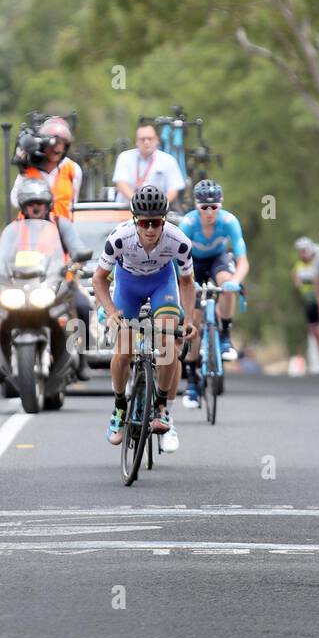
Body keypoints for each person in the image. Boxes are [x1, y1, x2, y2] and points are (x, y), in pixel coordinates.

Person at [92, 184, 195, 453]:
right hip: (128, 286)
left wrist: (190, 319)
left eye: (156, 223)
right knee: (124, 350)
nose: (150, 229)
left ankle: (162, 408)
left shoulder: (179, 241)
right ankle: (119, 408)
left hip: (162, 284)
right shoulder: (118, 238)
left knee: (168, 341)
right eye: (145, 223)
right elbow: (99, 279)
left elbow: (187, 282)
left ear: (164, 220)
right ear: (136, 220)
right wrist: (112, 311)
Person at [0, 175, 89, 382]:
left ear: (48, 203)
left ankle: (82, 359)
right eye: (31, 203)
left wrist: (78, 259)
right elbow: (1, 256)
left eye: (39, 202)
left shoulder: (61, 225)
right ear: (23, 205)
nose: (36, 206)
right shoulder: (13, 229)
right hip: (18, 285)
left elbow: (77, 248)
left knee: (83, 307)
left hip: (57, 283)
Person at [178, 179, 248, 405]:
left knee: (227, 284)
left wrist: (236, 281)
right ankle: (190, 380)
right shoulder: (187, 223)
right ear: (196, 206)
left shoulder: (229, 221)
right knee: (194, 323)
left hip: (218, 259)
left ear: (221, 205)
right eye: (204, 207)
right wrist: (188, 284)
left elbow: (242, 261)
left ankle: (226, 335)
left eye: (214, 207)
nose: (209, 212)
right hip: (192, 264)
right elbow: (175, 261)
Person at [11, 117, 83, 220]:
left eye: (61, 143)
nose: (56, 148)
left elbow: (73, 202)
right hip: (31, 230)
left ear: (66, 146)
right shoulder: (29, 169)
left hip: (61, 231)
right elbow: (15, 201)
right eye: (52, 144)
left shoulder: (73, 169)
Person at [111, 123, 186, 208]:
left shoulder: (169, 160)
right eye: (142, 139)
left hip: (157, 211)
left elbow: (173, 189)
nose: (146, 142)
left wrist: (159, 206)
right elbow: (121, 183)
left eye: (150, 139)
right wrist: (137, 204)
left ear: (157, 140)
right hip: (126, 209)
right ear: (136, 141)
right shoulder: (125, 157)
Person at [294, 237, 319, 375]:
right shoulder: (298, 265)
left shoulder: (318, 260)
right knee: (314, 332)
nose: (302, 254)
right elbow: (297, 282)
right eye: (300, 251)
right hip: (309, 302)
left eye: (304, 251)